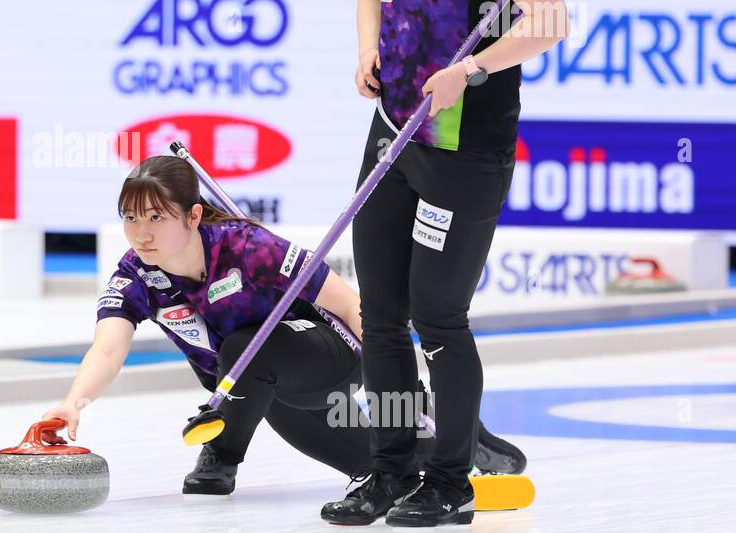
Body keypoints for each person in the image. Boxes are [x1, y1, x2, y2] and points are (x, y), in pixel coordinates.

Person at [327, 0, 568, 527]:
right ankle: (389, 469)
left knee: (439, 319)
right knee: (381, 316)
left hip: (463, 148)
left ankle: (451, 479)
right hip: (392, 136)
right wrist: (367, 48)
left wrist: (472, 68)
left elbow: (551, 18)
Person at [42, 156, 526, 500]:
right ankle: (452, 444)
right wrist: (73, 403)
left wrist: (406, 394)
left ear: (192, 215)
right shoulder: (134, 276)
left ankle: (222, 454)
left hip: (333, 354)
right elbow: (106, 351)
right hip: (264, 390)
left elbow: (355, 309)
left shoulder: (248, 247)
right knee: (384, 466)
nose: (140, 231)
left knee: (242, 347)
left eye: (155, 216)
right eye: (129, 217)